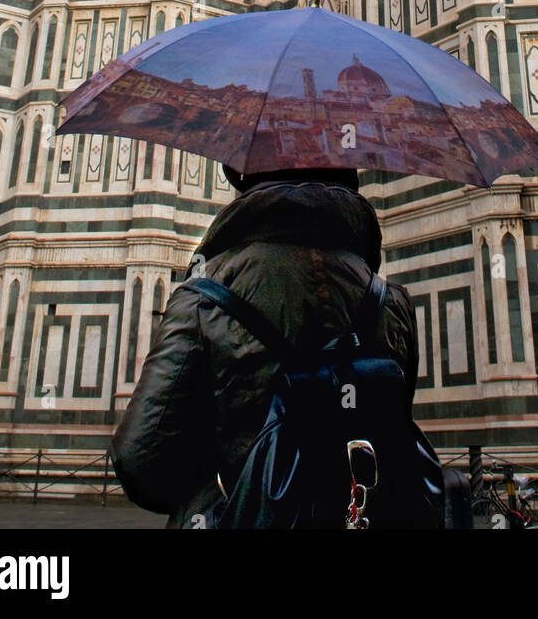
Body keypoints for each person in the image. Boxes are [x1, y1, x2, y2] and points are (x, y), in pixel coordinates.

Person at [110, 166, 420, 528]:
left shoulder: (202, 300)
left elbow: (141, 459)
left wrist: (230, 488)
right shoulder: (391, 304)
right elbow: (395, 432)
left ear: (244, 178)